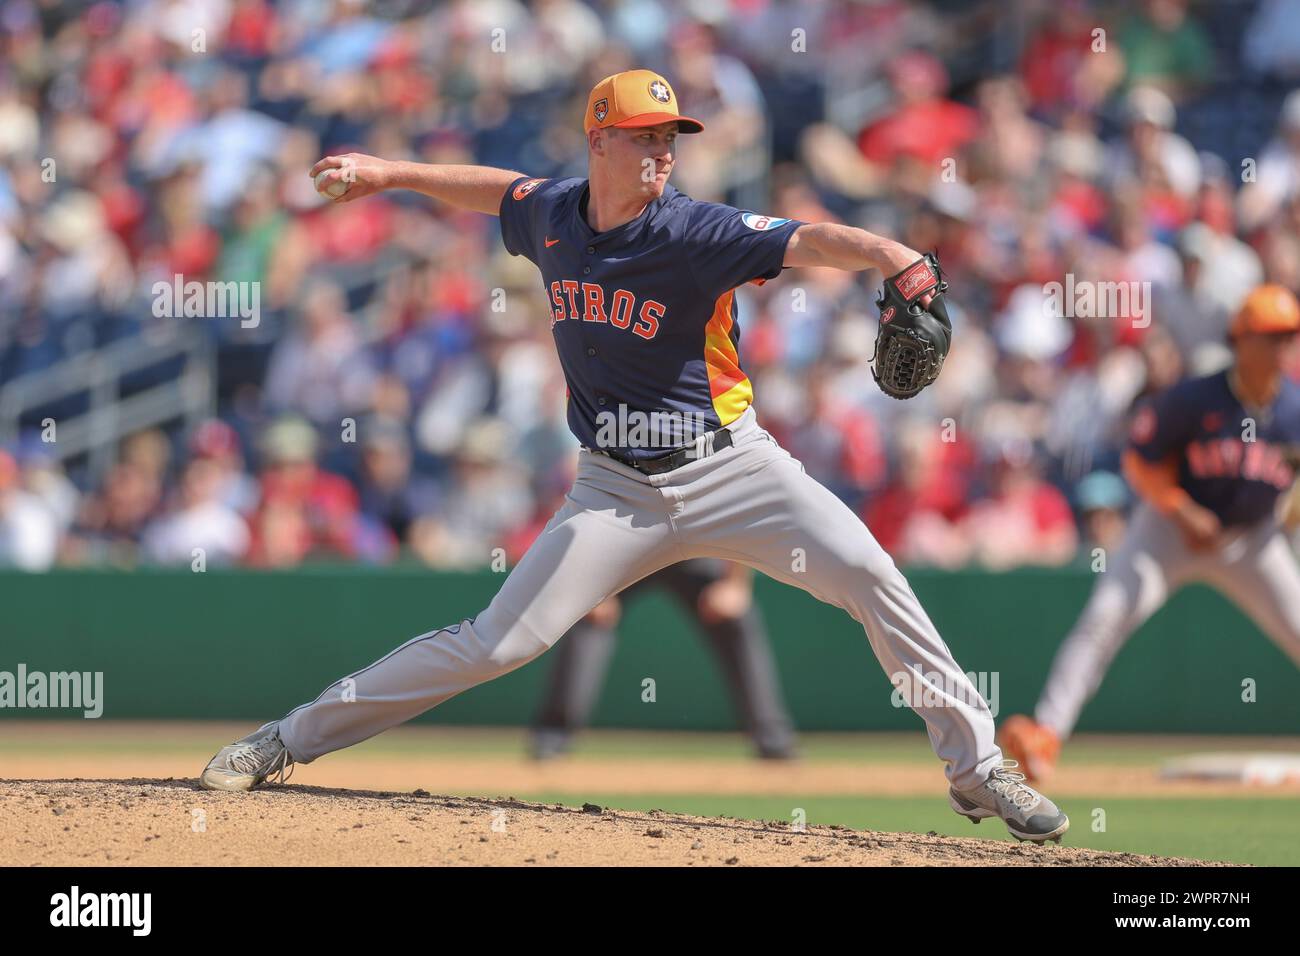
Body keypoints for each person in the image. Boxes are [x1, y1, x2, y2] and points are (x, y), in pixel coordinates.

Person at [201, 69, 1069, 844]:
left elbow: (805, 240)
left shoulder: (698, 231)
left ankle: (978, 769)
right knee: (498, 643)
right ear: (599, 141)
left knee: (871, 574)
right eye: (645, 136)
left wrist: (892, 254)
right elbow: (493, 189)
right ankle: (289, 738)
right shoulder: (553, 215)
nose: (661, 152)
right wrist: (390, 173)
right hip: (614, 487)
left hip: (733, 467)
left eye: (669, 138)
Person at [1001, 285, 1300, 782]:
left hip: (1251, 541)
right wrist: (1180, 509)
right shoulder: (1195, 398)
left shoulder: (1293, 410)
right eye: (1271, 336)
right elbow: (1139, 460)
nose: (1283, 346)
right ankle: (1045, 735)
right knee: (1105, 617)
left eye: (1289, 335)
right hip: (1167, 534)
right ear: (1240, 340)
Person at [530, 560, 797, 761]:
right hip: (630, 548)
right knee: (589, 615)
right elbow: (589, 505)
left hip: (692, 546)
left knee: (736, 616)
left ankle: (772, 737)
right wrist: (590, 587)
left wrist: (736, 583)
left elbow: (739, 503)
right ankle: (553, 735)